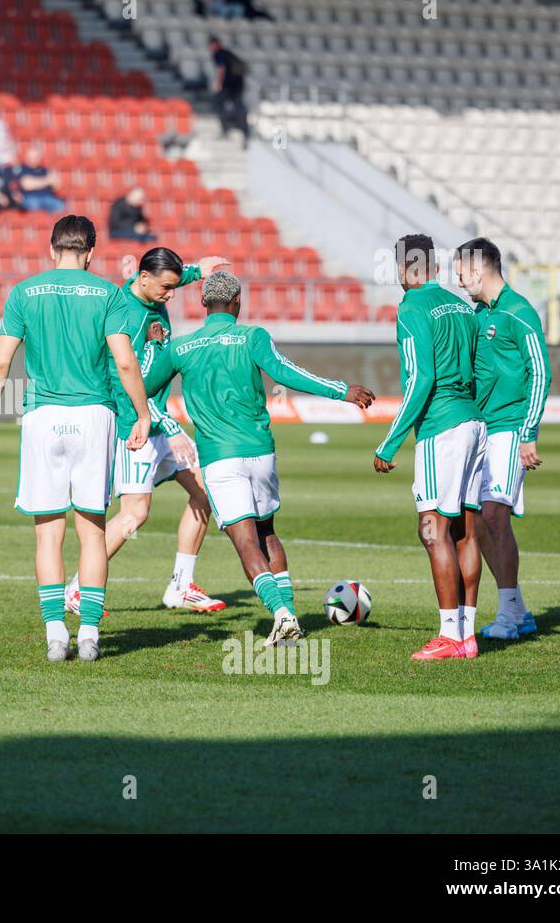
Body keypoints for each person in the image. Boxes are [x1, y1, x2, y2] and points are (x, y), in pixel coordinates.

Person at [148, 270, 373, 645]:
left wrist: (155, 353)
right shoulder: (253, 336)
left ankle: (283, 615)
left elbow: (143, 388)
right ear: (237, 303)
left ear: (204, 304)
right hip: (260, 452)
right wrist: (341, 390)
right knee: (267, 531)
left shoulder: (180, 348)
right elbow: (287, 372)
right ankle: (288, 619)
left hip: (219, 457)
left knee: (245, 542)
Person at [0, 215, 152, 663]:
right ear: (91, 253)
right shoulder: (109, 293)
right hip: (94, 415)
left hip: (43, 417)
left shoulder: (24, 292)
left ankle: (56, 634)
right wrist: (143, 413)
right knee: (91, 533)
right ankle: (89, 634)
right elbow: (126, 363)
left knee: (47, 536)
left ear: (52, 249)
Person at [65, 250, 232, 617]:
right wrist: (170, 426)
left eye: (174, 287)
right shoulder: (126, 315)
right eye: (167, 288)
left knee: (206, 492)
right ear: (143, 277)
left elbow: (171, 277)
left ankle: (181, 585)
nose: (171, 295)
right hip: (135, 427)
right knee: (133, 516)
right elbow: (132, 384)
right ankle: (77, 589)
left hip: (158, 423)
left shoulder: (152, 292)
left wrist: (195, 272)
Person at [374, 234, 487, 661]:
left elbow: (420, 379)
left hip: (442, 427)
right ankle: (468, 635)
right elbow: (478, 367)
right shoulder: (462, 306)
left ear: (404, 270)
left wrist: (389, 443)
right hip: (475, 421)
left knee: (432, 529)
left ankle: (448, 635)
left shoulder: (411, 308)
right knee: (465, 530)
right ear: (435, 267)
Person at [454, 238, 551, 641]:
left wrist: (528, 434)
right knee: (476, 519)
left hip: (511, 427)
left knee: (495, 514)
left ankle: (509, 619)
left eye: (461, 272)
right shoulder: (478, 314)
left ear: (478, 269)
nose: (459, 281)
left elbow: (541, 373)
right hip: (483, 428)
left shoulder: (520, 312)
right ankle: (517, 610)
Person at [209, 36, 250, 146]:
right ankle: (245, 132)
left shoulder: (219, 54)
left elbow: (221, 68)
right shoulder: (228, 53)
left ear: (214, 44)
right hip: (238, 84)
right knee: (239, 108)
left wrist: (218, 83)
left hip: (229, 85)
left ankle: (226, 130)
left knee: (217, 104)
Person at [13, 144, 65, 213]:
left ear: (39, 157)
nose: (33, 159)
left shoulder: (45, 170)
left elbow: (57, 186)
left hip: (48, 197)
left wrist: (36, 182)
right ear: (27, 157)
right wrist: (47, 180)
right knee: (34, 205)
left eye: (35, 157)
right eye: (31, 157)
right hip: (30, 198)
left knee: (60, 206)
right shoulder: (22, 169)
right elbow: (26, 185)